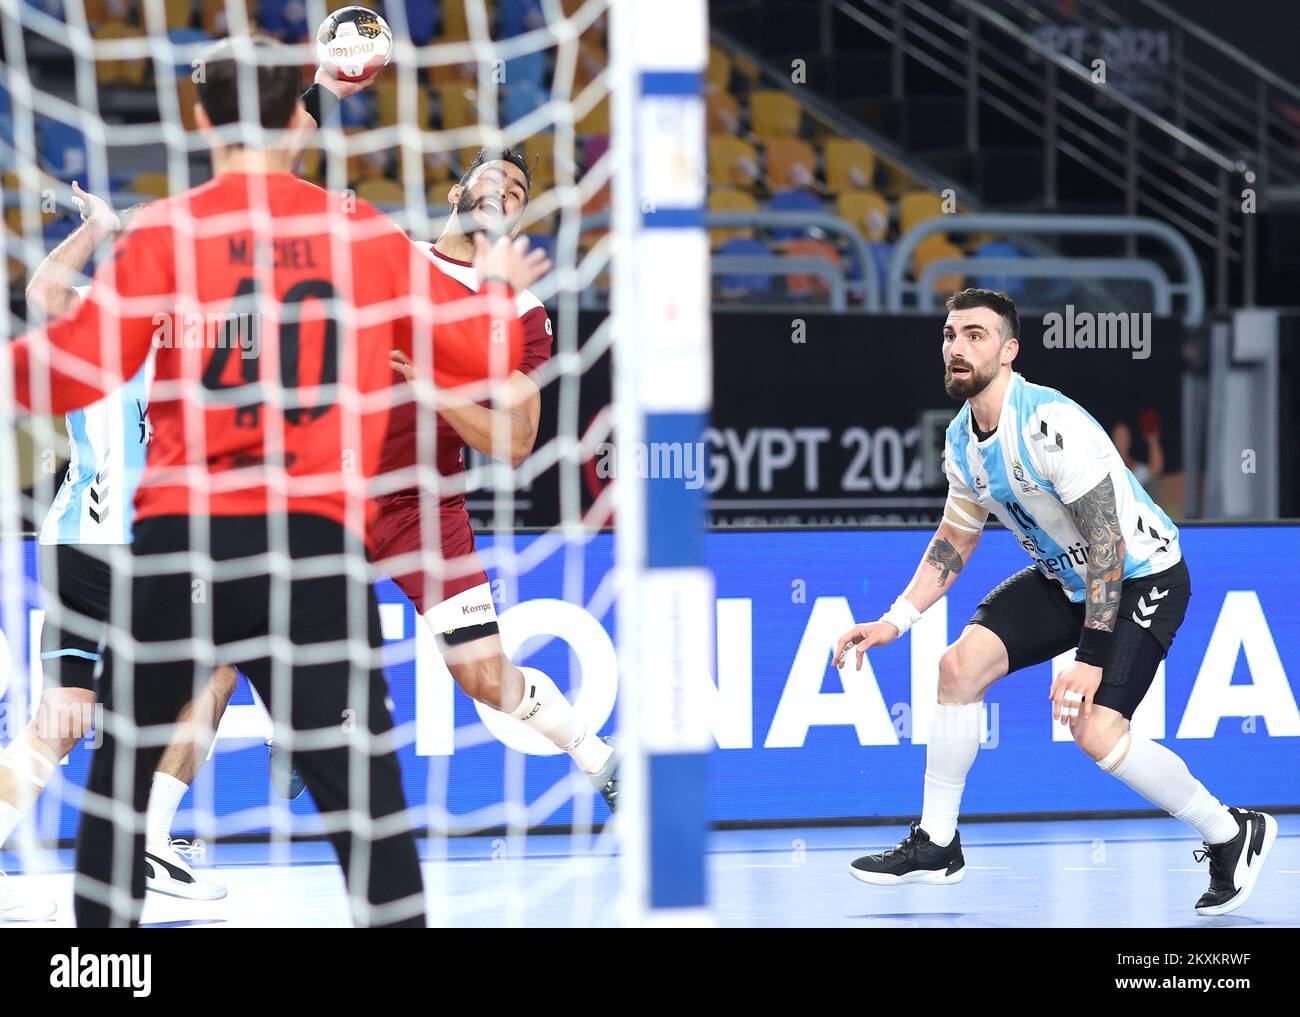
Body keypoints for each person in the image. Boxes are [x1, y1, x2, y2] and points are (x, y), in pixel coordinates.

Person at [4, 36, 548, 927]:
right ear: (301, 122)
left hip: (184, 543)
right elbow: (485, 379)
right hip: (312, 550)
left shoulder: (171, 234)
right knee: (366, 798)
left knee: (119, 777)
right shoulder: (360, 231)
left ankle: (103, 969)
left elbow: (64, 373)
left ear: (198, 119)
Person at [834, 288, 1275, 917]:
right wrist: (896, 620)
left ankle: (1231, 832)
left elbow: (1106, 542)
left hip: (1140, 577)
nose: (957, 347)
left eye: (975, 335)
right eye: (950, 335)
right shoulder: (962, 443)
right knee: (957, 669)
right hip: (1068, 579)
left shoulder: (1051, 426)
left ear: (1010, 351)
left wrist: (1090, 656)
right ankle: (937, 841)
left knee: (1096, 730)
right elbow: (955, 539)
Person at [296, 75, 618, 806]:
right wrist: (321, 88)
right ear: (455, 193)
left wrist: (433, 389)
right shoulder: (384, 253)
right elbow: (284, 176)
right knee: (259, 632)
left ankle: (596, 755)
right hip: (329, 484)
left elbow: (513, 441)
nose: (502, 192)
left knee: (482, 674)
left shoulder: (522, 310)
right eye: (490, 179)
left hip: (424, 504)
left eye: (516, 191)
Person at [0, 183, 234, 924]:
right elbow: (41, 290)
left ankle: (150, 841)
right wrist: (100, 225)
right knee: (65, 717)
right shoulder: (100, 315)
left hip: (165, 543)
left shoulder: (206, 328)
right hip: (90, 539)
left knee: (221, 668)